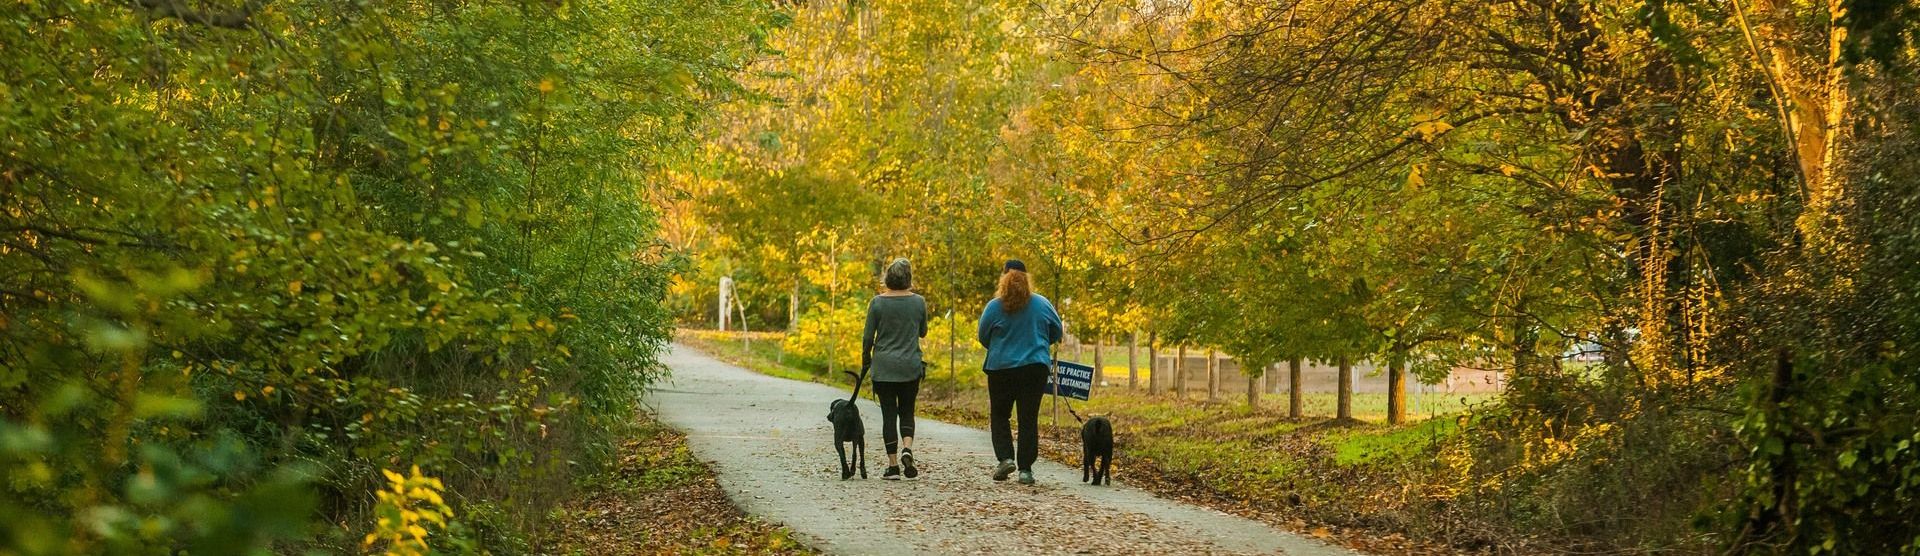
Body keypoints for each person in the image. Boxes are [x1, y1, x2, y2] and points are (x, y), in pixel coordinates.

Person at [976, 259, 1063, 485]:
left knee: (1000, 415)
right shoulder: (1042, 304)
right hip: (1034, 368)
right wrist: (1041, 342)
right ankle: (1026, 469)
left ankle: (1005, 458)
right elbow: (1057, 330)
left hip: (1001, 368)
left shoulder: (994, 307)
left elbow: (983, 335)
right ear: (1027, 279)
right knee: (1028, 418)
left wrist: (999, 346)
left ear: (1003, 279)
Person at [862, 258, 928, 480]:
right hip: (910, 366)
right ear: (908, 278)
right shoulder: (919, 302)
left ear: (888, 278)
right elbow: (923, 332)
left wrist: (865, 360)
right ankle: (907, 448)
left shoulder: (877, 303)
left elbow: (867, 337)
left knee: (889, 415)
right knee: (907, 410)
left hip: (884, 367)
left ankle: (892, 466)